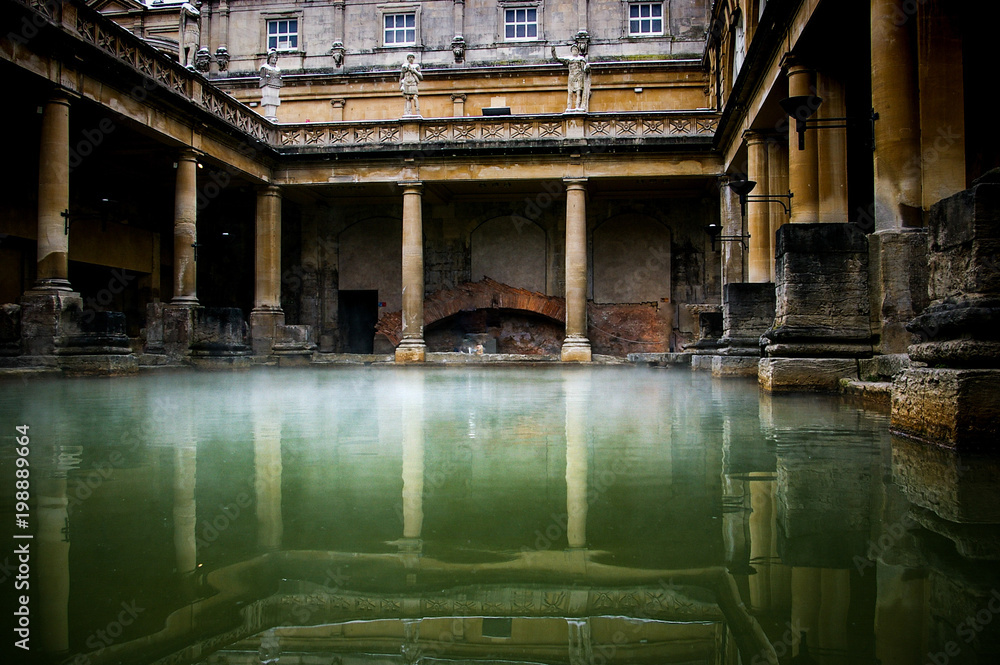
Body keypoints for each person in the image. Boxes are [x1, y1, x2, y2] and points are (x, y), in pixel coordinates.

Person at [551, 44, 591, 112]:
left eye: (575, 50)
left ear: (578, 51)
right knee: (570, 93)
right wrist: (553, 51)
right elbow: (557, 58)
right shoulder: (569, 59)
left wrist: (587, 68)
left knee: (578, 93)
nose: (574, 51)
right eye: (573, 50)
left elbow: (584, 69)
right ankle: (569, 107)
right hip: (571, 77)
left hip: (579, 76)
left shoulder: (581, 59)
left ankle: (577, 107)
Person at [259, 49, 282, 120]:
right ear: (269, 58)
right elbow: (263, 78)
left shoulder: (278, 69)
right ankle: (269, 117)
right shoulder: (264, 68)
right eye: (273, 57)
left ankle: (272, 116)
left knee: (275, 100)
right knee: (268, 100)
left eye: (276, 58)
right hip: (268, 87)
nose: (274, 59)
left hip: (275, 86)